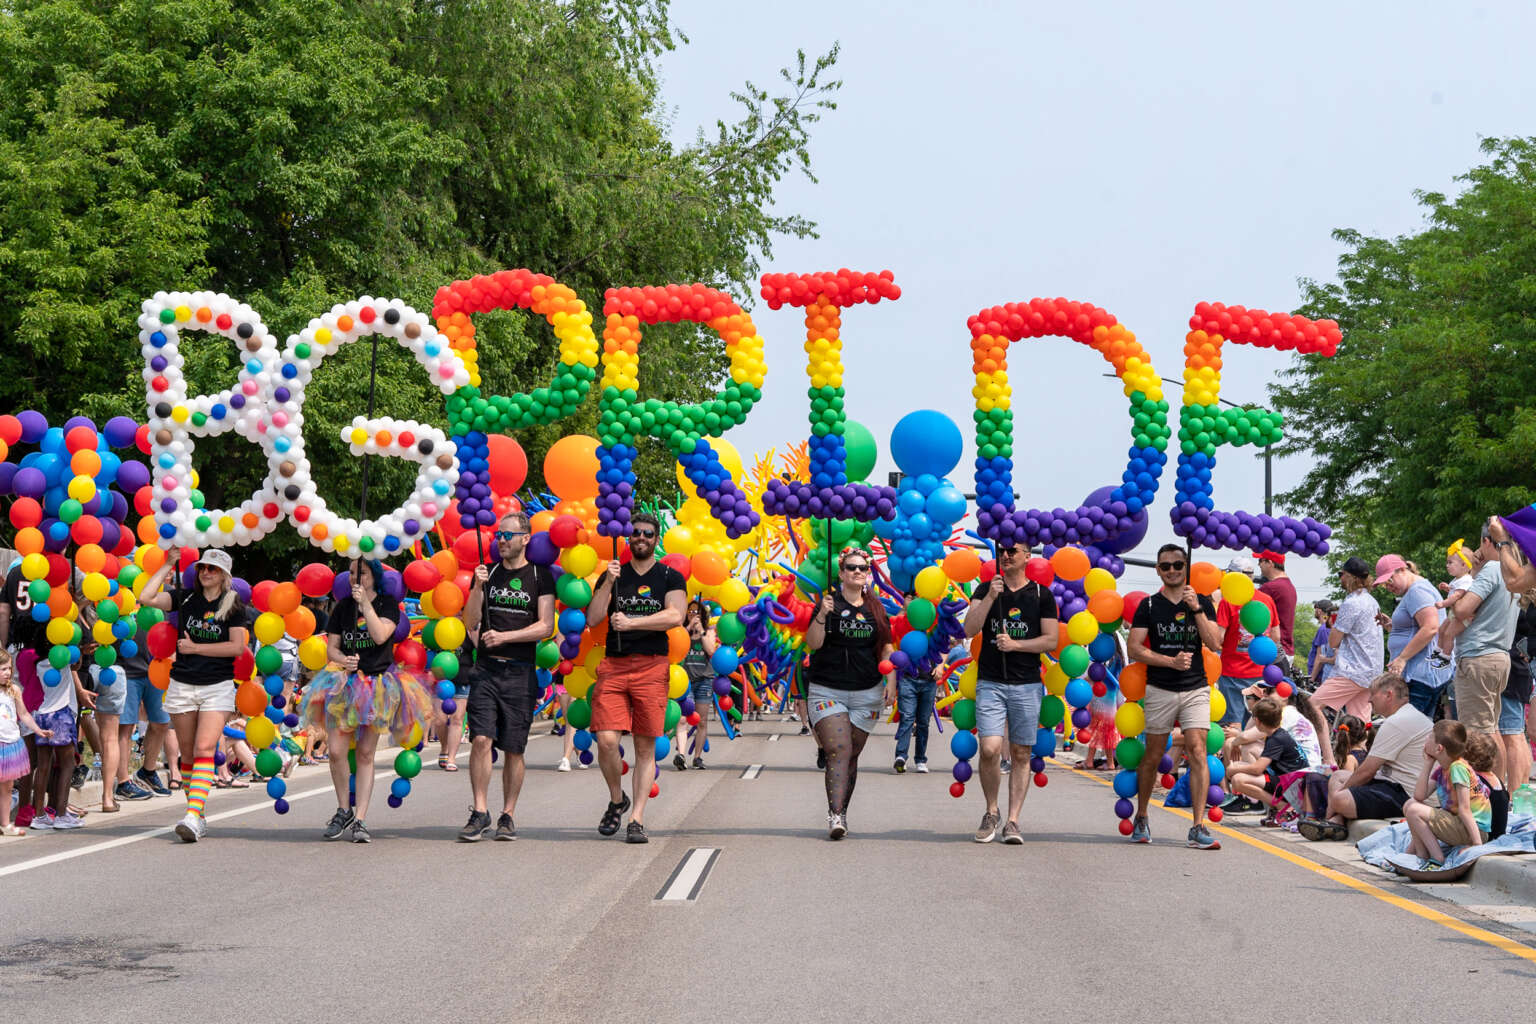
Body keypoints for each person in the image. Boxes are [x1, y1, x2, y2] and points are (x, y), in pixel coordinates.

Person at [304, 559, 430, 843]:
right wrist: (342, 660)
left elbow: (380, 634)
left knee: (364, 754)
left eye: (360, 572)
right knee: (336, 751)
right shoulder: (342, 607)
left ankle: (360, 818)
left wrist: (366, 605)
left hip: (377, 686)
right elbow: (332, 650)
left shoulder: (386, 604)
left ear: (374, 576)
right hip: (345, 685)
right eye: (350, 573)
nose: (354, 577)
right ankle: (342, 809)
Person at [586, 512, 686, 844]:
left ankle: (637, 819)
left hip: (652, 666)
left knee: (645, 746)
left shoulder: (670, 576)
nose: (641, 537)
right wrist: (608, 583)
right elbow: (594, 617)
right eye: (636, 533)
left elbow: (676, 615)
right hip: (614, 666)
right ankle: (618, 799)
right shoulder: (614, 573)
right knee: (607, 741)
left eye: (647, 533)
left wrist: (632, 624)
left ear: (657, 540)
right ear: (629, 538)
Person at [456, 513, 555, 841]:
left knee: (514, 748)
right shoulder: (489, 573)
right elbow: (470, 620)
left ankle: (507, 814)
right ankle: (480, 810)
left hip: (519, 672)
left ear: (525, 538)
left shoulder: (540, 576)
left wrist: (505, 638)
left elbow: (546, 625)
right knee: (481, 739)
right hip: (485, 671)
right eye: (499, 534)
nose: (501, 540)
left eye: (508, 535)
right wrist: (477, 588)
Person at [138, 549, 248, 843]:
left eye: (212, 569)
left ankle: (191, 814)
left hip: (217, 685)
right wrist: (169, 564)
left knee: (203, 748)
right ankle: (196, 814)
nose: (206, 572)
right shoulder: (185, 597)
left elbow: (237, 647)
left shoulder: (233, 604)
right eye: (202, 567)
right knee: (187, 753)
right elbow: (146, 597)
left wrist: (196, 648)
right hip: (182, 684)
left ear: (224, 575)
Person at [1126, 543, 1223, 850]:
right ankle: (1141, 816)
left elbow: (1215, 643)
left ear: (1186, 568)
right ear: (1158, 570)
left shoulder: (1202, 601)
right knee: (1154, 754)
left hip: (1195, 686)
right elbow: (1134, 647)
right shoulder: (1150, 606)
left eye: (1177, 565)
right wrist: (1168, 661)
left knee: (1197, 749)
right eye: (1165, 566)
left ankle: (1197, 826)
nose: (1171, 571)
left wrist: (1195, 608)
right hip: (1160, 688)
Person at [961, 542, 1059, 844]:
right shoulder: (984, 589)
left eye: (1013, 550)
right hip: (990, 681)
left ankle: (1013, 820)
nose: (1006, 554)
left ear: (1027, 556)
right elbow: (969, 629)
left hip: (1027, 684)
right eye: (1002, 550)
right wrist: (991, 595)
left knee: (1020, 753)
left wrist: (1017, 645)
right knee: (990, 748)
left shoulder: (1041, 595)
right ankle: (992, 811)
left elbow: (1050, 640)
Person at [805, 547, 895, 840]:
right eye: (852, 567)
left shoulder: (876, 609)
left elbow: (886, 647)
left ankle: (842, 810)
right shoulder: (828, 604)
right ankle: (834, 815)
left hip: (867, 692)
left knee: (851, 755)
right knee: (839, 750)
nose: (858, 572)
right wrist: (821, 615)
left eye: (863, 568)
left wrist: (891, 679)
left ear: (868, 574)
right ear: (841, 573)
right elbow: (813, 644)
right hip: (827, 689)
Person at [1300, 674, 1432, 841]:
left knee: (1340, 798)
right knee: (1338, 776)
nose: (1369, 700)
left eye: (1373, 694)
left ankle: (1330, 820)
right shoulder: (1405, 716)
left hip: (1406, 794)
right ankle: (1336, 821)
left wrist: (1336, 799)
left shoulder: (1398, 722)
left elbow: (1366, 772)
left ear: (1388, 695)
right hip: (1394, 785)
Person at [1437, 529, 1519, 785]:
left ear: (1487, 540)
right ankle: (1499, 792)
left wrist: (1475, 574)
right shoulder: (1512, 571)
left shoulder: (1492, 569)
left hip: (1478, 658)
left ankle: (1487, 793)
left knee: (1476, 733)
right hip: (1499, 656)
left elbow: (1462, 608)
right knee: (1492, 729)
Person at [1402, 720, 1491, 868]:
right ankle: (1420, 854)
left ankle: (1437, 857)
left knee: (1413, 810)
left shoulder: (1458, 768)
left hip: (1473, 830)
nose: (1426, 738)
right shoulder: (1443, 769)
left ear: (1439, 748)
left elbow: (1465, 809)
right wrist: (1428, 764)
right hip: (1458, 824)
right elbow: (1419, 796)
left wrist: (1476, 845)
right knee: (1410, 804)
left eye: (1430, 736)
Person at [1376, 554, 1449, 717]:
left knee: (1407, 730)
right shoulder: (1416, 590)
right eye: (1383, 584)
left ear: (1402, 570)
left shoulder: (1417, 591)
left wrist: (1402, 658)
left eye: (1389, 580)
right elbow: (1416, 630)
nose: (1387, 586)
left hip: (1419, 676)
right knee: (1418, 731)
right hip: (1422, 674)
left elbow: (1430, 627)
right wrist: (1392, 627)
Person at [1310, 557, 1382, 720]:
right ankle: (1359, 746)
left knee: (1312, 707)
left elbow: (1333, 642)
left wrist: (1334, 624)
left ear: (1351, 577)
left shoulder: (1351, 603)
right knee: (1359, 720)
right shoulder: (1372, 601)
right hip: (1371, 671)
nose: (1340, 578)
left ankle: (1322, 746)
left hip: (1352, 671)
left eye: (1341, 574)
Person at [1214, 556, 1278, 727]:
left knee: (1231, 725)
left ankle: (1231, 754)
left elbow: (1218, 638)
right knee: (1256, 725)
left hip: (1232, 673)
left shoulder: (1227, 601)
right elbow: (1276, 636)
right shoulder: (1267, 600)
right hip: (1259, 672)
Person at [1224, 696, 1308, 813]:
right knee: (1239, 767)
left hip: (1291, 785)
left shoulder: (1276, 739)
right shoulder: (1278, 734)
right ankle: (1271, 803)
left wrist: (1232, 770)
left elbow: (1257, 769)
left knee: (1238, 780)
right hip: (1293, 780)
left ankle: (1282, 806)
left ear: (1257, 721)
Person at [1, 650, 53, 836]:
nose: (7, 673)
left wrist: (38, 730)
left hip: (11, 743)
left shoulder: (14, 690)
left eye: (9, 668)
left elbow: (23, 714)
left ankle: (5, 824)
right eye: (2, 669)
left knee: (7, 786)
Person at [674, 599, 717, 772]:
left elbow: (711, 650)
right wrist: (689, 628)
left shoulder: (709, 632)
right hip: (685, 680)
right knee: (682, 718)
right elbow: (676, 645)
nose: (694, 615)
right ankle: (681, 755)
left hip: (704, 679)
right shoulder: (681, 632)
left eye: (697, 612)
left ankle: (697, 757)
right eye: (690, 612)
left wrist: (700, 631)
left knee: (702, 721)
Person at [1499, 590, 1536, 790]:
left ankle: (1514, 794)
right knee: (1519, 734)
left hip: (1514, 671)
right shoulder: (1524, 600)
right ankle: (1521, 792)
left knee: (1512, 734)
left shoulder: (1520, 599)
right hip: (1519, 669)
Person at [893, 658, 941, 774]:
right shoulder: (904, 638)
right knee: (907, 718)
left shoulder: (933, 638)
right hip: (907, 678)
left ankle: (920, 759)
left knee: (923, 722)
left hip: (929, 680)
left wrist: (940, 666)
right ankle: (901, 757)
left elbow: (944, 647)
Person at [1256, 550, 1298, 658]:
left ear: (1270, 563)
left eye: (1260, 561)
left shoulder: (1270, 588)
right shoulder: (1289, 585)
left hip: (1272, 649)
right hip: (1286, 648)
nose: (1258, 564)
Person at [1306, 599, 1337, 685]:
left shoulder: (1323, 629)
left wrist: (1311, 679)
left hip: (1319, 676)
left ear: (1319, 611)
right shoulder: (1330, 628)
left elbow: (1319, 657)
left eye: (1315, 608)